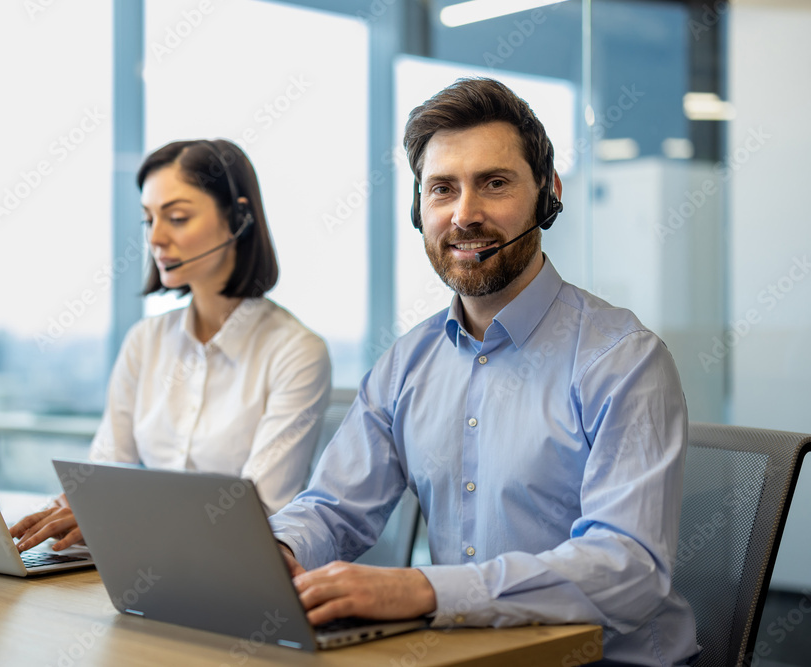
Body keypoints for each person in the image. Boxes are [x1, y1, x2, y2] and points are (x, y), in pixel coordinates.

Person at [269, 78, 700, 665]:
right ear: (418, 211)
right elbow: (333, 507)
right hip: (467, 655)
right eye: (442, 189)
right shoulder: (407, 364)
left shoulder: (621, 359)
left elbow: (627, 566)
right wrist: (277, 549)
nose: (464, 214)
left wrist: (423, 590)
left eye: (494, 184)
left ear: (548, 195)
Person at [11, 139, 331, 552]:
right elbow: (104, 476)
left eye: (177, 217)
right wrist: (72, 508)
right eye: (149, 220)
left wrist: (117, 514)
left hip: (230, 571)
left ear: (238, 218)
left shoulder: (295, 351)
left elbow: (258, 510)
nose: (156, 238)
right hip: (136, 557)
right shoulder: (145, 342)